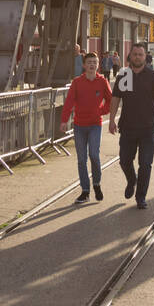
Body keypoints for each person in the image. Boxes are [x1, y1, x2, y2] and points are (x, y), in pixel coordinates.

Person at [108, 43, 154, 209]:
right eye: (134, 54)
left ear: (145, 57)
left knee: (145, 164)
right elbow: (115, 99)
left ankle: (141, 196)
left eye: (140, 54)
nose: (137, 57)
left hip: (148, 128)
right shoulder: (123, 75)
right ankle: (131, 180)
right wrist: (111, 119)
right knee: (124, 161)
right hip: (128, 127)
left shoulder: (152, 76)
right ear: (130, 57)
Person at [61, 51, 113, 204]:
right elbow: (69, 102)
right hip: (79, 125)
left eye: (94, 62)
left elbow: (111, 101)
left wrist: (101, 111)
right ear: (84, 65)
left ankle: (96, 184)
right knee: (81, 159)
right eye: (89, 62)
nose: (92, 65)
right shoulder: (77, 82)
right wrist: (64, 121)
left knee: (94, 155)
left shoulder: (102, 81)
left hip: (95, 125)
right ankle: (85, 190)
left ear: (98, 65)